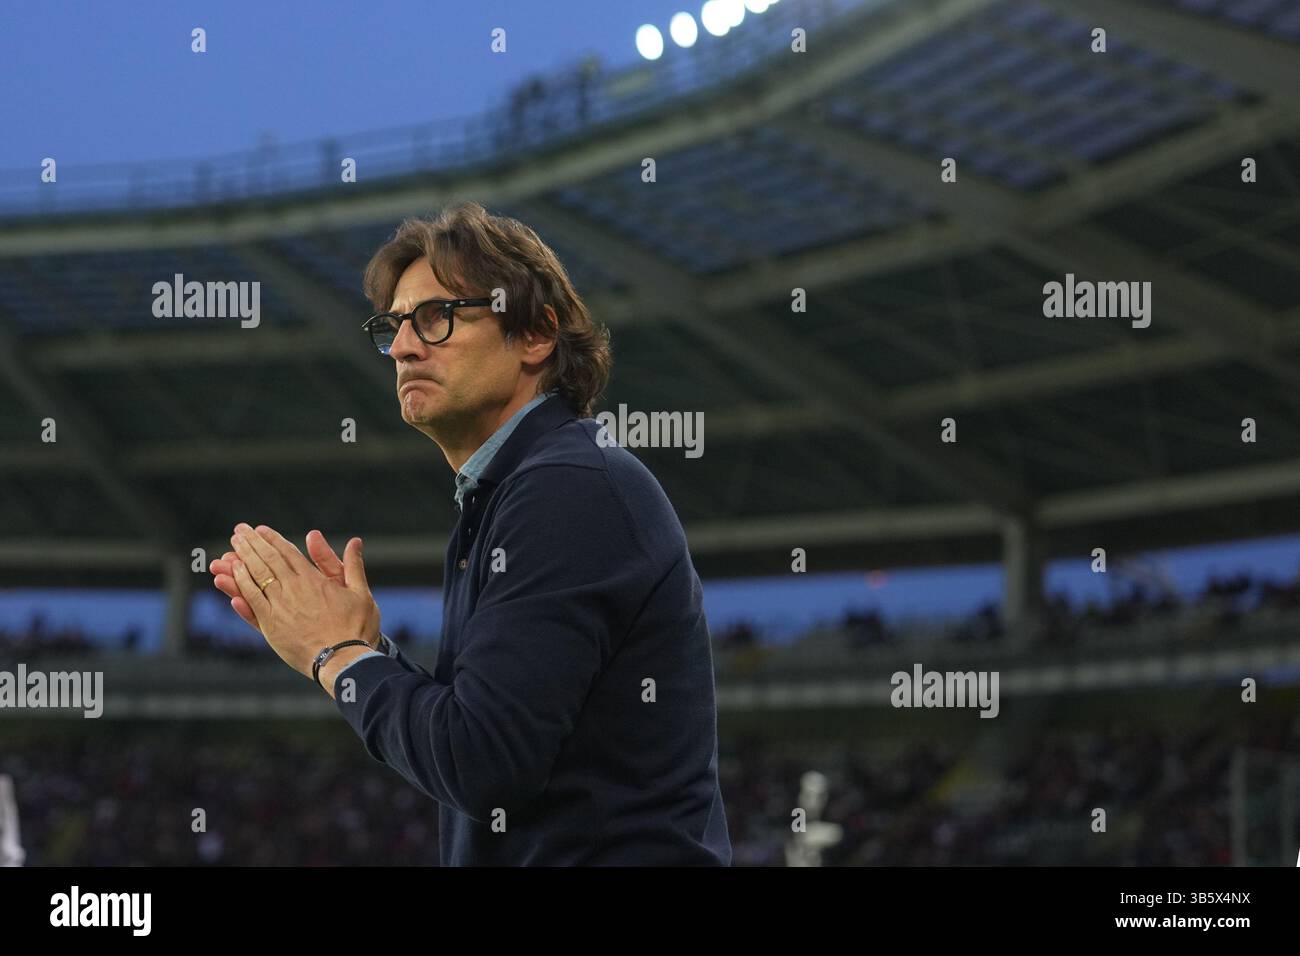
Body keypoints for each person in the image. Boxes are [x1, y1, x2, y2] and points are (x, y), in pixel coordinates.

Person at [207, 201, 731, 866]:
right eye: (392, 327)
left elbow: (482, 762)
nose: (401, 346)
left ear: (536, 335)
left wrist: (335, 654)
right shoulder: (517, 490)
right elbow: (479, 733)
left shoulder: (566, 489)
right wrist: (372, 652)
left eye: (436, 317)